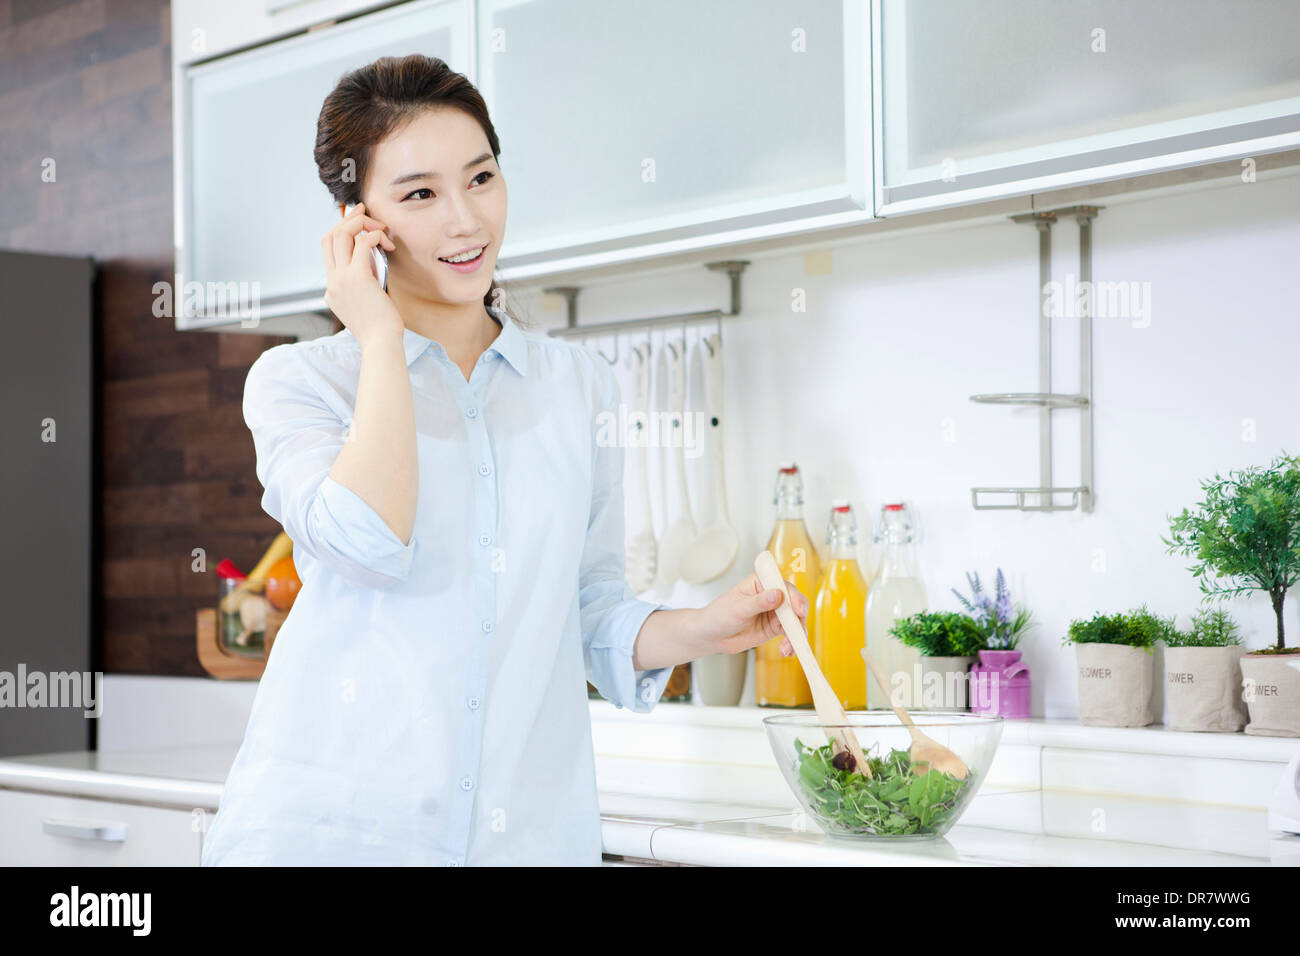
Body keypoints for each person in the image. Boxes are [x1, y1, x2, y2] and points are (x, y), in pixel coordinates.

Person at [200, 55, 808, 866]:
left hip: (522, 839)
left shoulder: (577, 388)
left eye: (481, 178)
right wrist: (380, 338)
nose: (466, 220)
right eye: (420, 193)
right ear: (359, 221)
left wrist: (705, 626)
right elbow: (370, 542)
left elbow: (590, 611)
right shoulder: (301, 382)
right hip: (330, 836)